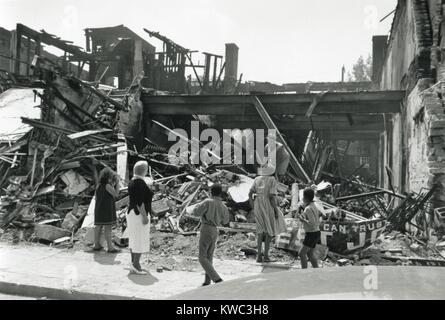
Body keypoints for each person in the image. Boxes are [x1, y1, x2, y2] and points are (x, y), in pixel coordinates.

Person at [193, 183, 229, 286]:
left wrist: (197, 205)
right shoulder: (223, 205)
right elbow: (226, 221)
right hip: (215, 230)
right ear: (220, 193)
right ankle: (207, 281)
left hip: (206, 228)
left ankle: (216, 279)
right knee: (209, 256)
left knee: (202, 257)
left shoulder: (208, 202)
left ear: (211, 192)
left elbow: (196, 213)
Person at [249, 167, 282, 263]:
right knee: (269, 232)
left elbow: (250, 193)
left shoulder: (257, 179)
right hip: (267, 205)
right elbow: (271, 196)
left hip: (257, 205)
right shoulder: (272, 180)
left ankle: (259, 256)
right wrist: (275, 210)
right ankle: (266, 256)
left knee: (260, 232)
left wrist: (252, 205)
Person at [127, 161, 153, 275]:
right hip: (138, 213)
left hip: (132, 212)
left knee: (134, 238)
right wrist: (144, 216)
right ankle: (136, 265)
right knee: (139, 239)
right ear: (145, 170)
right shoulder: (140, 183)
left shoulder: (132, 181)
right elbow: (140, 202)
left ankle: (133, 263)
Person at [93, 167, 121, 253]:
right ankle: (110, 247)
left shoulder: (98, 185)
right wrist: (117, 183)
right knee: (108, 228)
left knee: (98, 227)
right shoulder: (107, 186)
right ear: (108, 177)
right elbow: (116, 194)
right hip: (106, 209)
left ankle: (96, 245)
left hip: (99, 208)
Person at [297, 187, 322, 269]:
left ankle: (304, 272)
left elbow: (312, 223)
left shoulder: (308, 209)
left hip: (311, 233)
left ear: (305, 197)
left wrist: (302, 219)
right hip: (316, 232)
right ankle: (316, 270)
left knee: (302, 253)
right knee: (310, 254)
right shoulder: (313, 205)